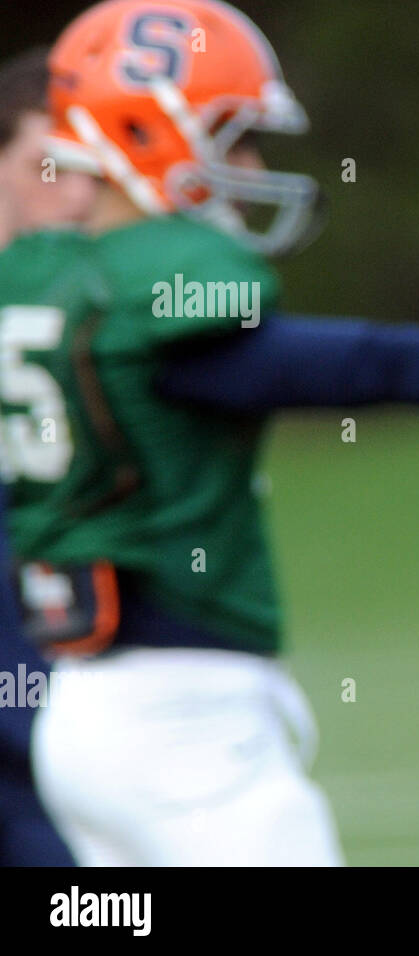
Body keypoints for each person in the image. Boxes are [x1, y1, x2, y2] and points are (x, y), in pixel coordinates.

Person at [0, 0, 419, 866]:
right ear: (144, 131)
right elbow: (347, 363)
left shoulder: (48, 281)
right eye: (230, 138)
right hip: (179, 718)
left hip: (84, 710)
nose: (252, 166)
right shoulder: (148, 297)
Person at [0, 45, 95, 867]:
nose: (75, 196)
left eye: (91, 171)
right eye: (48, 166)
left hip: (59, 737)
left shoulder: (107, 332)